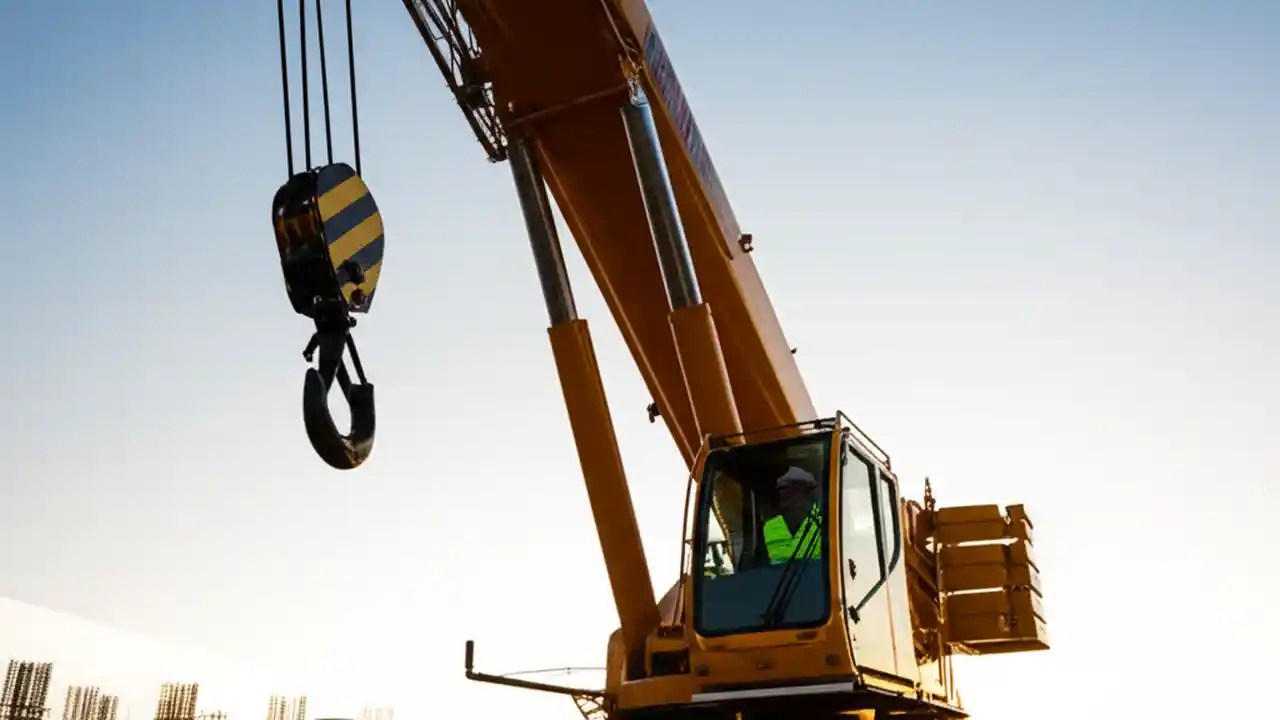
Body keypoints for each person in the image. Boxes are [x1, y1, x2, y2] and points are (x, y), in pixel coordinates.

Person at [762, 466, 823, 564]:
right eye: (780, 489)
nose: (782, 493)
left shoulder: (826, 523)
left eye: (787, 488)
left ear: (806, 492)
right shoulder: (769, 526)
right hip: (777, 579)